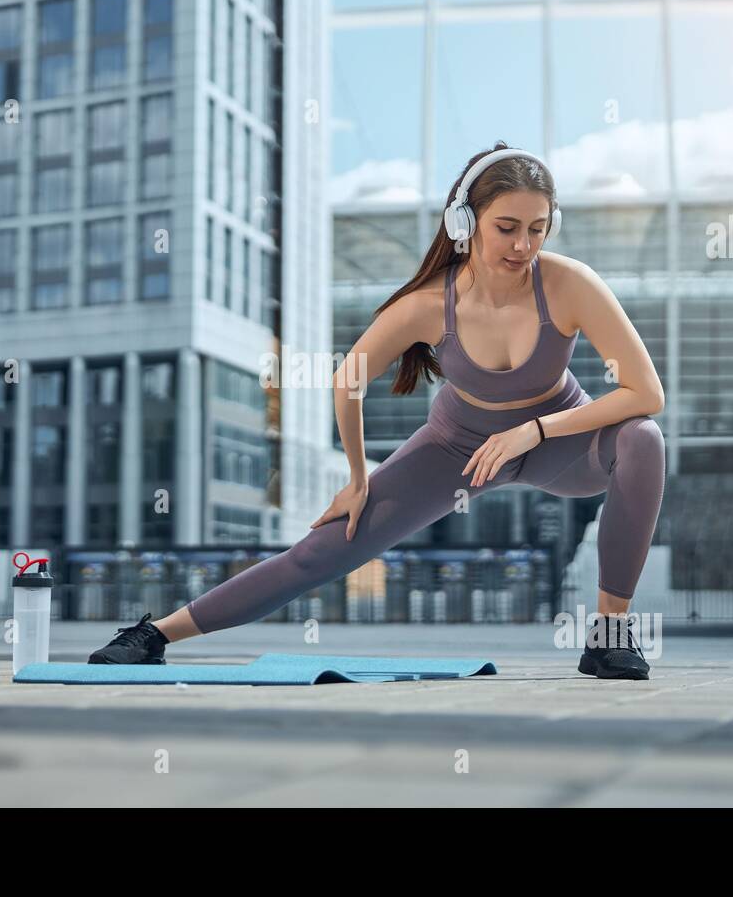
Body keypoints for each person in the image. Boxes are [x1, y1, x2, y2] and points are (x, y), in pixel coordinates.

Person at [89, 142, 667, 680]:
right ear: (464, 223)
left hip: (560, 445)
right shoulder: (427, 305)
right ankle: (154, 634)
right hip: (456, 450)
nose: (524, 245)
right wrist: (359, 478)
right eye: (507, 228)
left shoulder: (569, 285)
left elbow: (646, 394)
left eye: (538, 229)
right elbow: (349, 381)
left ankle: (609, 635)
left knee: (643, 438)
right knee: (320, 552)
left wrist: (536, 430)